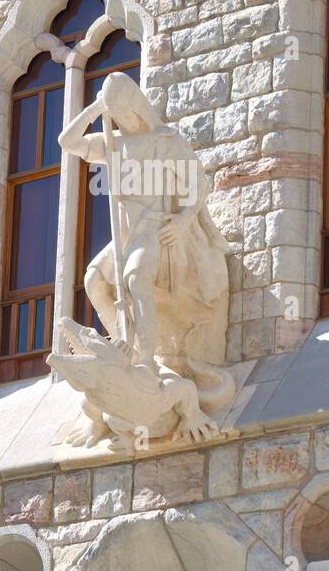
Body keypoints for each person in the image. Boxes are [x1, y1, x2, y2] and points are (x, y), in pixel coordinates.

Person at [59, 72, 228, 369]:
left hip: (154, 226)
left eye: (124, 110)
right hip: (125, 231)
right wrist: (95, 109)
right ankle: (128, 347)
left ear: (136, 106)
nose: (121, 118)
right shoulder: (112, 143)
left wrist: (183, 220)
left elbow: (198, 185)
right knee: (94, 280)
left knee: (135, 278)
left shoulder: (164, 142)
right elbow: (68, 142)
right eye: (115, 113)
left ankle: (148, 361)